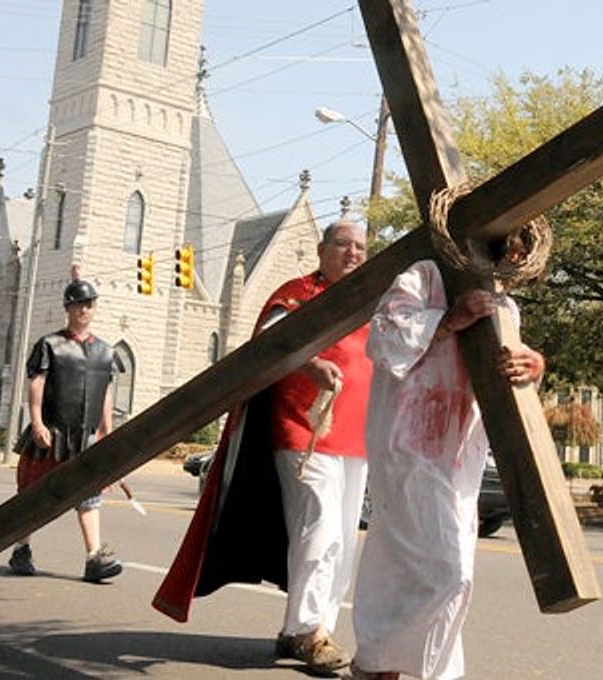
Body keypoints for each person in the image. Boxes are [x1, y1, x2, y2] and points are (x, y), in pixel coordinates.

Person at [154, 221, 373, 676]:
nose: (352, 253)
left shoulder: (368, 303)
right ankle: (309, 631)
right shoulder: (296, 295)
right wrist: (310, 364)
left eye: (360, 247)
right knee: (321, 530)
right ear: (321, 249)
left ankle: (306, 627)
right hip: (301, 432)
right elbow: (268, 345)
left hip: (355, 440)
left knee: (342, 542)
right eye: (343, 245)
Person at [349, 248, 545, 680]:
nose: (512, 261)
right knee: (447, 572)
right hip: (407, 448)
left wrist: (532, 365)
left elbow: (511, 364)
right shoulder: (424, 276)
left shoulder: (506, 307)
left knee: (420, 570)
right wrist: (449, 320)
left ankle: (384, 664)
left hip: (459, 459)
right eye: (508, 248)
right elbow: (382, 339)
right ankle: (383, 663)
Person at [8, 277, 123, 583]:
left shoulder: (105, 351)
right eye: (78, 304)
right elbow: (37, 382)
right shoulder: (50, 344)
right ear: (68, 308)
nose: (84, 309)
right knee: (34, 494)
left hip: (85, 438)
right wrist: (36, 423)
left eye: (88, 304)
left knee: (88, 497)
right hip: (51, 434)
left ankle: (94, 558)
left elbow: (106, 395)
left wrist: (106, 433)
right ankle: (22, 549)